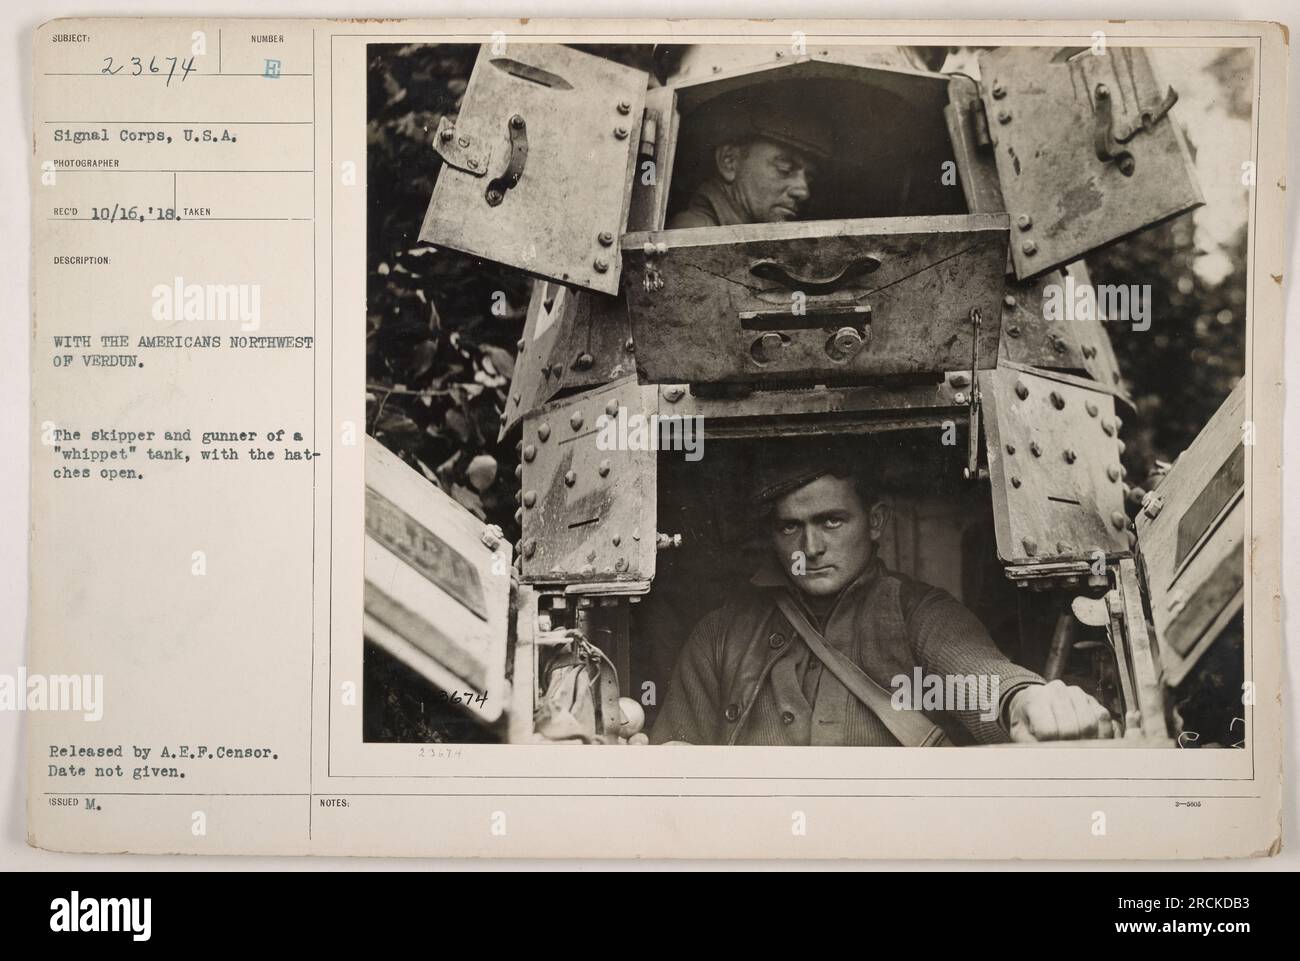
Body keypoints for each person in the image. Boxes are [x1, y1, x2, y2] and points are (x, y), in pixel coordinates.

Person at [650, 441, 1118, 746]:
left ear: (874, 522)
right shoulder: (720, 635)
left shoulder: (916, 612)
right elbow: (675, 768)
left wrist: (1024, 700)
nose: (810, 548)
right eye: (790, 526)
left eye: (831, 521)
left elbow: (978, 670)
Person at [667, 92, 831, 229]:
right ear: (729, 161)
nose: (803, 192)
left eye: (809, 178)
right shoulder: (695, 233)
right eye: (785, 168)